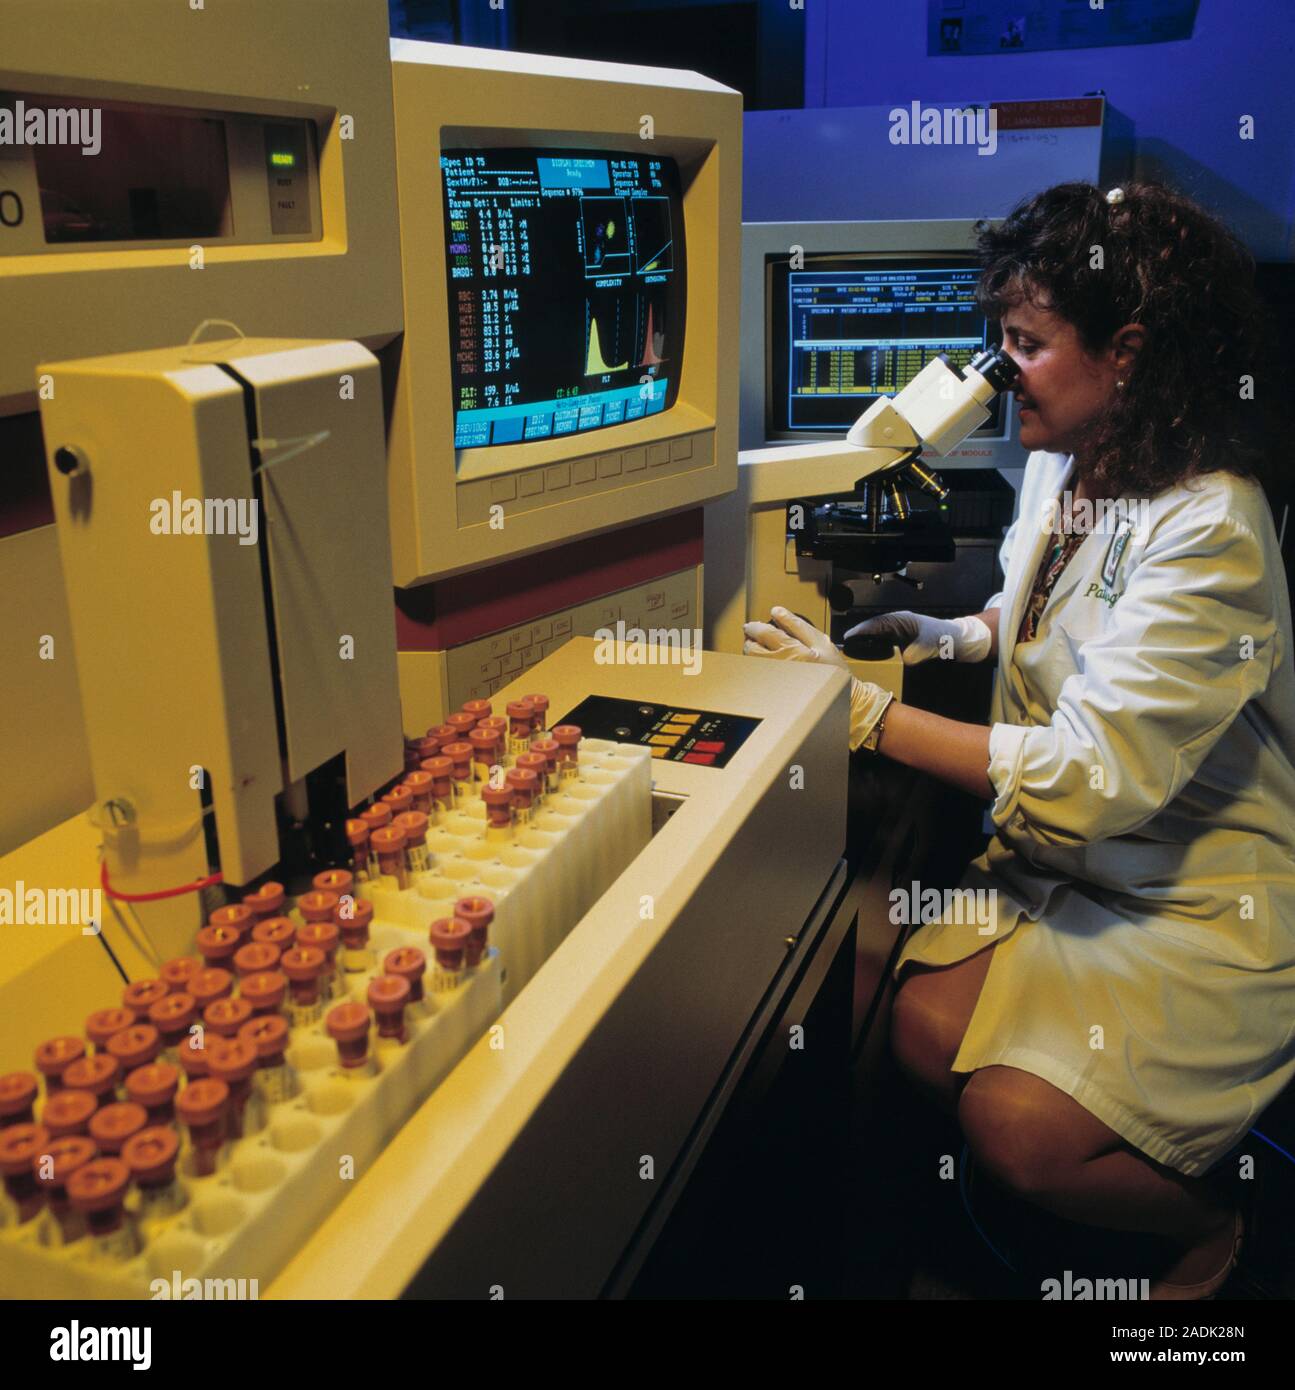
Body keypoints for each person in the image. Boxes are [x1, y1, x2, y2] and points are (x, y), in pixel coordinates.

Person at [743, 182, 1295, 1299]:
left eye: (1024, 344)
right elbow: (1034, 611)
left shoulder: (1209, 529)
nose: (996, 372)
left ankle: (1212, 1220)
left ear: (1126, 351)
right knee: (915, 1032)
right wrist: (950, 634)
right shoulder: (1064, 458)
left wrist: (869, 716)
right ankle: (1082, 1180)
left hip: (1194, 894)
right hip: (1072, 862)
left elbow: (1093, 777)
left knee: (1008, 1128)